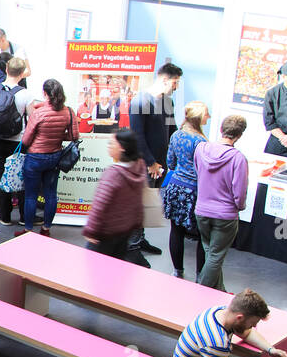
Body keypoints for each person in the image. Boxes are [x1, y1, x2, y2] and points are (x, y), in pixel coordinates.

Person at [126, 61, 182, 256]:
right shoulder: (140, 101)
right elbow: (137, 136)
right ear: (165, 80)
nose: (176, 87)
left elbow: (171, 129)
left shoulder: (167, 102)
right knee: (137, 205)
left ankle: (139, 240)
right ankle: (132, 246)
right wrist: (151, 162)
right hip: (144, 164)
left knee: (147, 204)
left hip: (159, 165)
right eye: (175, 82)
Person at [194, 113, 250, 291]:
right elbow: (239, 191)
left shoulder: (201, 149)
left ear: (221, 129)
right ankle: (199, 292)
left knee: (211, 253)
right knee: (215, 256)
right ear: (240, 135)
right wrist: (239, 206)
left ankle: (220, 292)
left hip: (201, 210)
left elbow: (198, 173)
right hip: (225, 215)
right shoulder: (238, 158)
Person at [18, 78, 78, 237]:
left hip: (35, 158)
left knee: (31, 195)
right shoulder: (69, 112)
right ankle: (46, 228)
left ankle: (28, 229)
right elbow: (74, 136)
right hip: (55, 157)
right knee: (51, 194)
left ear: (45, 94)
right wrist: (58, 137)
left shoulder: (38, 113)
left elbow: (25, 140)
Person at [82, 128, 150, 264]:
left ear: (122, 148)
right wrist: (137, 222)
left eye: (111, 143)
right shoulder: (139, 166)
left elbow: (99, 205)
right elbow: (139, 199)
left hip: (105, 234)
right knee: (115, 268)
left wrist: (90, 230)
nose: (109, 146)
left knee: (94, 270)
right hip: (125, 231)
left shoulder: (113, 174)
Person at [161, 101, 210, 279]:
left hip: (175, 187)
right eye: (206, 114)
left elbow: (171, 163)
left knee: (176, 230)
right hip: (195, 191)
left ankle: (177, 271)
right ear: (198, 117)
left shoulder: (176, 135)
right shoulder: (201, 142)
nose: (209, 117)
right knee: (202, 235)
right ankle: (199, 275)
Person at [0, 56, 30, 225]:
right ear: (22, 74)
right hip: (19, 141)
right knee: (21, 177)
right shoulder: (26, 94)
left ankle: (4, 216)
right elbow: (31, 118)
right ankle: (25, 217)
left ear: (6, 70)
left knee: (2, 176)